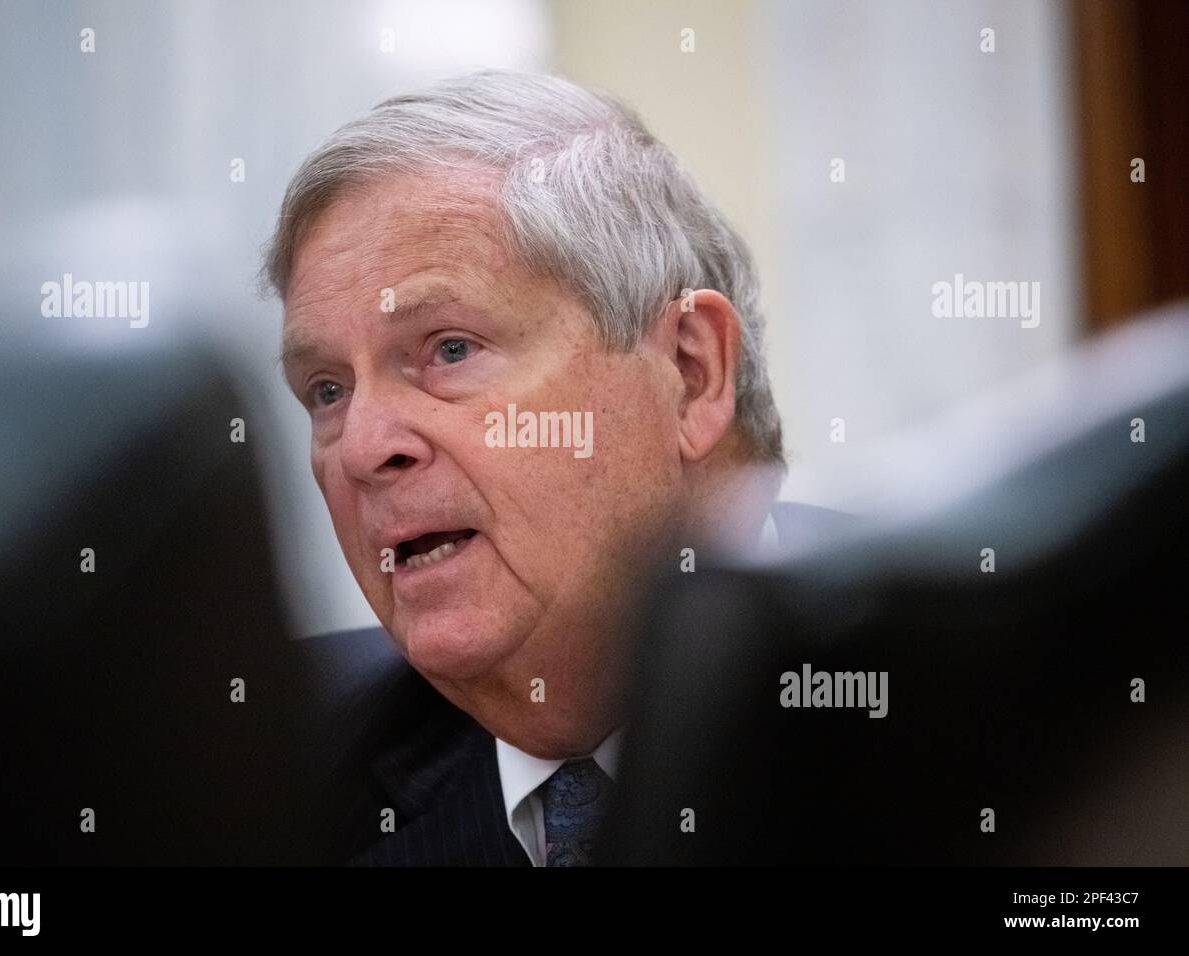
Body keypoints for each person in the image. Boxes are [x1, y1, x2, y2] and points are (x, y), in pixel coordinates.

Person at [263, 70, 852, 866]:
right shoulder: (270, 770)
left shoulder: (999, 707)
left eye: (450, 349)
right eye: (326, 391)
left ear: (690, 371)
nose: (365, 447)